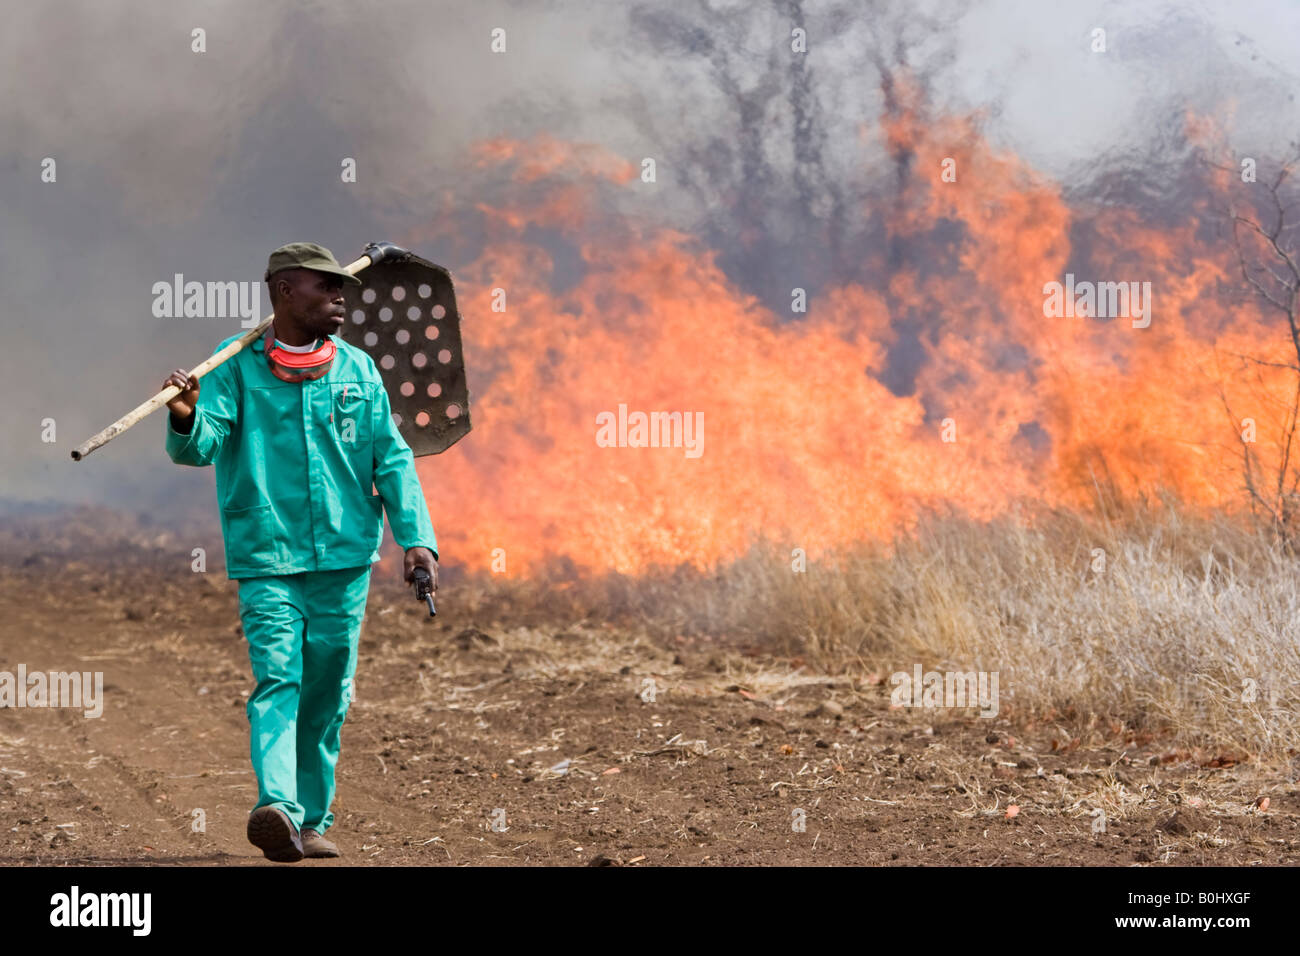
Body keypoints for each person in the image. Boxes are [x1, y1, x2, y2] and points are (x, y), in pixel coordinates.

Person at [162, 241, 439, 863]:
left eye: (342, 288)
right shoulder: (233, 367)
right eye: (325, 288)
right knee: (279, 678)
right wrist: (184, 413)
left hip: (344, 557)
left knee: (328, 692)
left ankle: (310, 822)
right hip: (267, 555)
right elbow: (200, 447)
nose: (340, 298)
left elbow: (392, 459)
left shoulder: (358, 370)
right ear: (285, 291)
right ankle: (279, 808)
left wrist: (416, 539)